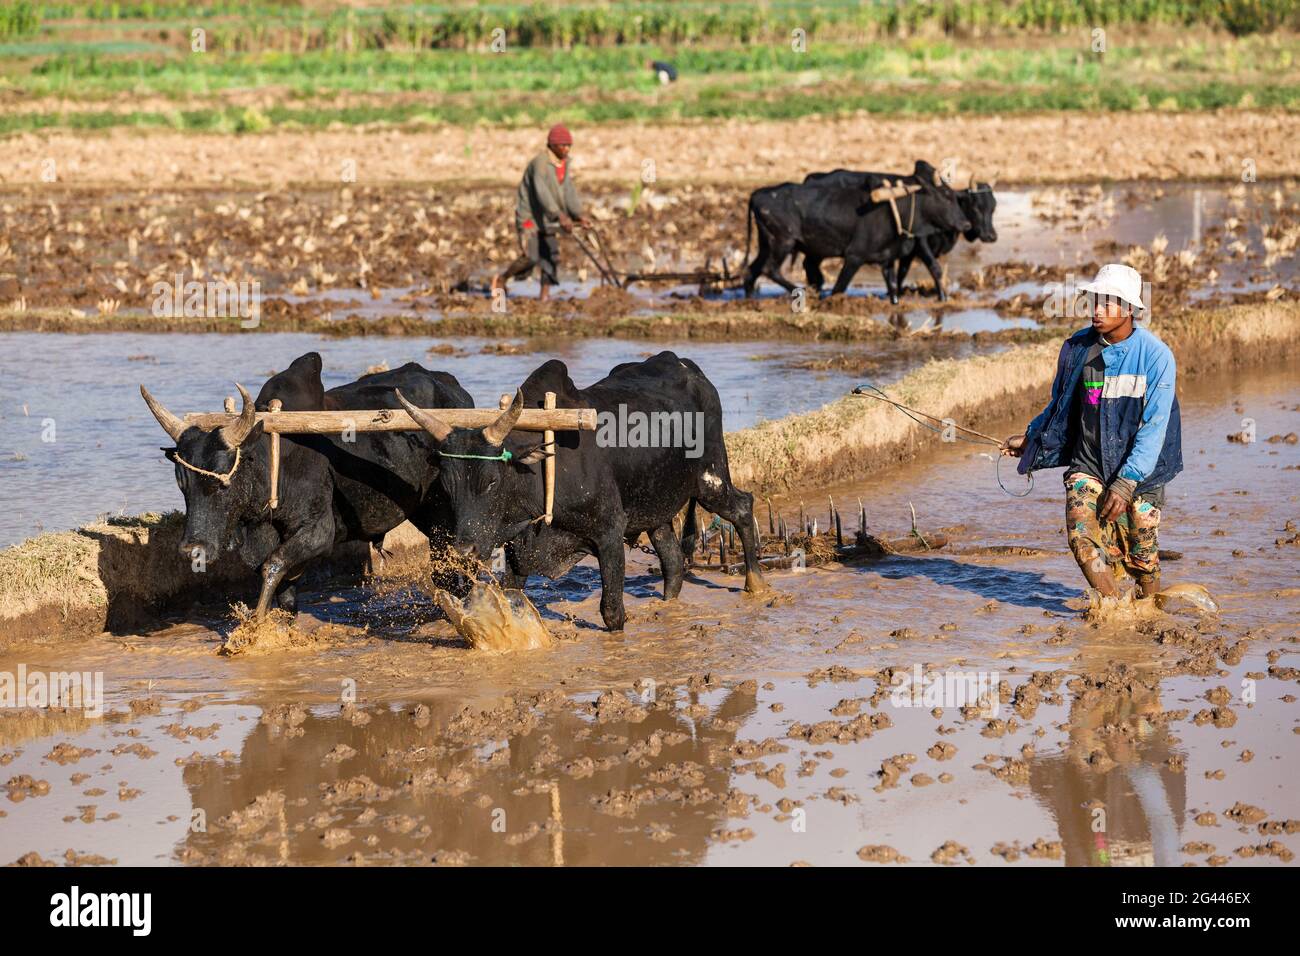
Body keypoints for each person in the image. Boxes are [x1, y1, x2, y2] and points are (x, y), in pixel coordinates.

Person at [1003, 264, 1181, 600]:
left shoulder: (1156, 357)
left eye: (1109, 303)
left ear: (1130, 309)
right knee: (1082, 539)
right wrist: (1030, 438)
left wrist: (1127, 483)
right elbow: (1060, 407)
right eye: (1095, 301)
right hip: (1089, 464)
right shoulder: (1078, 350)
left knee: (1142, 558)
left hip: (1143, 471)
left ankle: (1152, 614)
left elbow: (1154, 428)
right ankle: (1116, 613)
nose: (1097, 310)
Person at [491, 123, 590, 302]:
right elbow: (541, 191)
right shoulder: (540, 164)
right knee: (531, 256)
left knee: (551, 255)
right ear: (552, 145)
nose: (566, 149)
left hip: (547, 218)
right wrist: (559, 215)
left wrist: (578, 215)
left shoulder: (563, 164)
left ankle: (544, 297)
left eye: (569, 145)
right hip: (530, 217)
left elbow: (568, 190)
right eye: (562, 145)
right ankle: (502, 279)